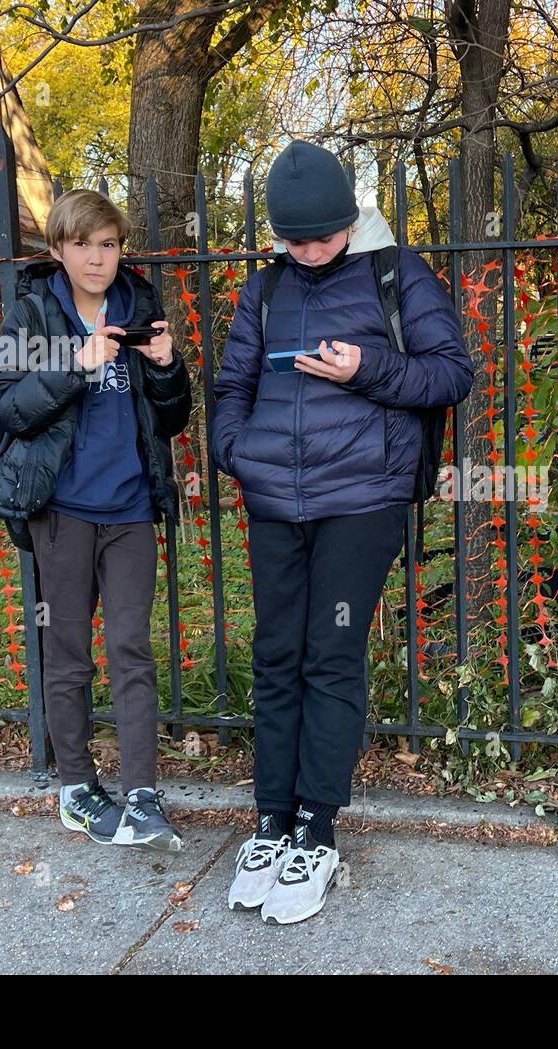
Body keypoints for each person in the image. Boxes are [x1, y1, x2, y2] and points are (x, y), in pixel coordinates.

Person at [210, 141, 473, 924]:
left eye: (322, 237)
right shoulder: (263, 290)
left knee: (330, 655)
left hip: (362, 500)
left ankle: (317, 828)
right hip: (274, 501)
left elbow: (452, 373)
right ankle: (271, 821)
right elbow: (232, 384)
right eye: (295, 241)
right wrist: (235, 452)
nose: (310, 252)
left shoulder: (397, 275)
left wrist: (367, 369)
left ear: (350, 219)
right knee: (275, 655)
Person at [0, 189, 192, 851]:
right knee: (68, 653)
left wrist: (166, 369)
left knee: (132, 649)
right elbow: (5, 409)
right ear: (58, 251)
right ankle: (77, 786)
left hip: (131, 510)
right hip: (62, 513)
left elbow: (171, 416)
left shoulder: (140, 304)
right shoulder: (33, 312)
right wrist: (75, 365)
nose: (97, 258)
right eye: (82, 245)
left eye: (108, 244)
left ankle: (142, 793)